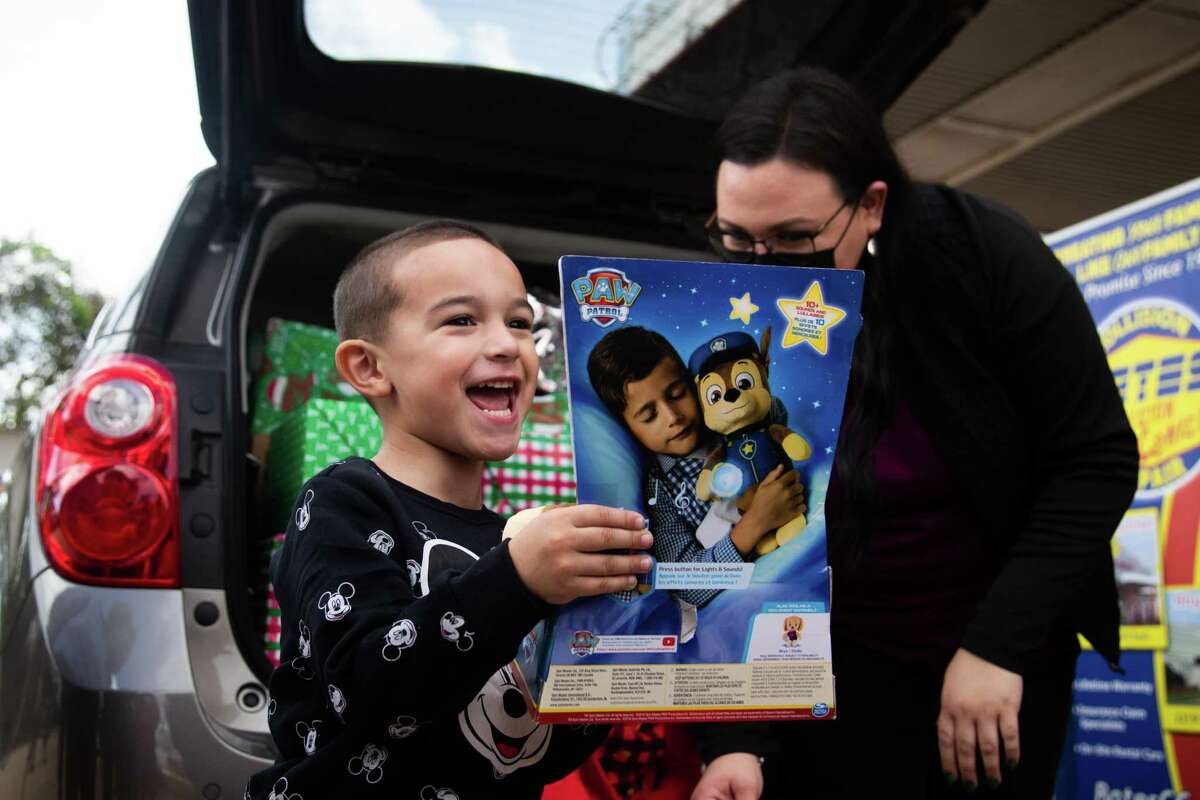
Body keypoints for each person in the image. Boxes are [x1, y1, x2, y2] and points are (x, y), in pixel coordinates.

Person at [689, 68, 1138, 799]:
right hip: (809, 670)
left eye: (795, 237)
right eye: (737, 237)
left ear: (870, 206)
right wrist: (734, 737)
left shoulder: (980, 256)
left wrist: (997, 645)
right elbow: (719, 533)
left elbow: (1094, 459)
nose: (761, 267)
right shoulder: (726, 303)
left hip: (985, 663)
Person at [246, 220, 653, 798]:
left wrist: (617, 636)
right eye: (462, 320)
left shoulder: (513, 540)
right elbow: (366, 693)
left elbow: (539, 751)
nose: (506, 344)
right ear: (369, 368)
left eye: (520, 322)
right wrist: (518, 581)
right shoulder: (344, 501)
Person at [586, 325, 805, 607]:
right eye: (650, 415)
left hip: (801, 559)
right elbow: (685, 586)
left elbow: (775, 410)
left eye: (678, 393)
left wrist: (755, 377)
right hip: (745, 602)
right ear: (627, 428)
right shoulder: (659, 491)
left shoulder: (731, 420)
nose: (673, 417)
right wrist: (755, 523)